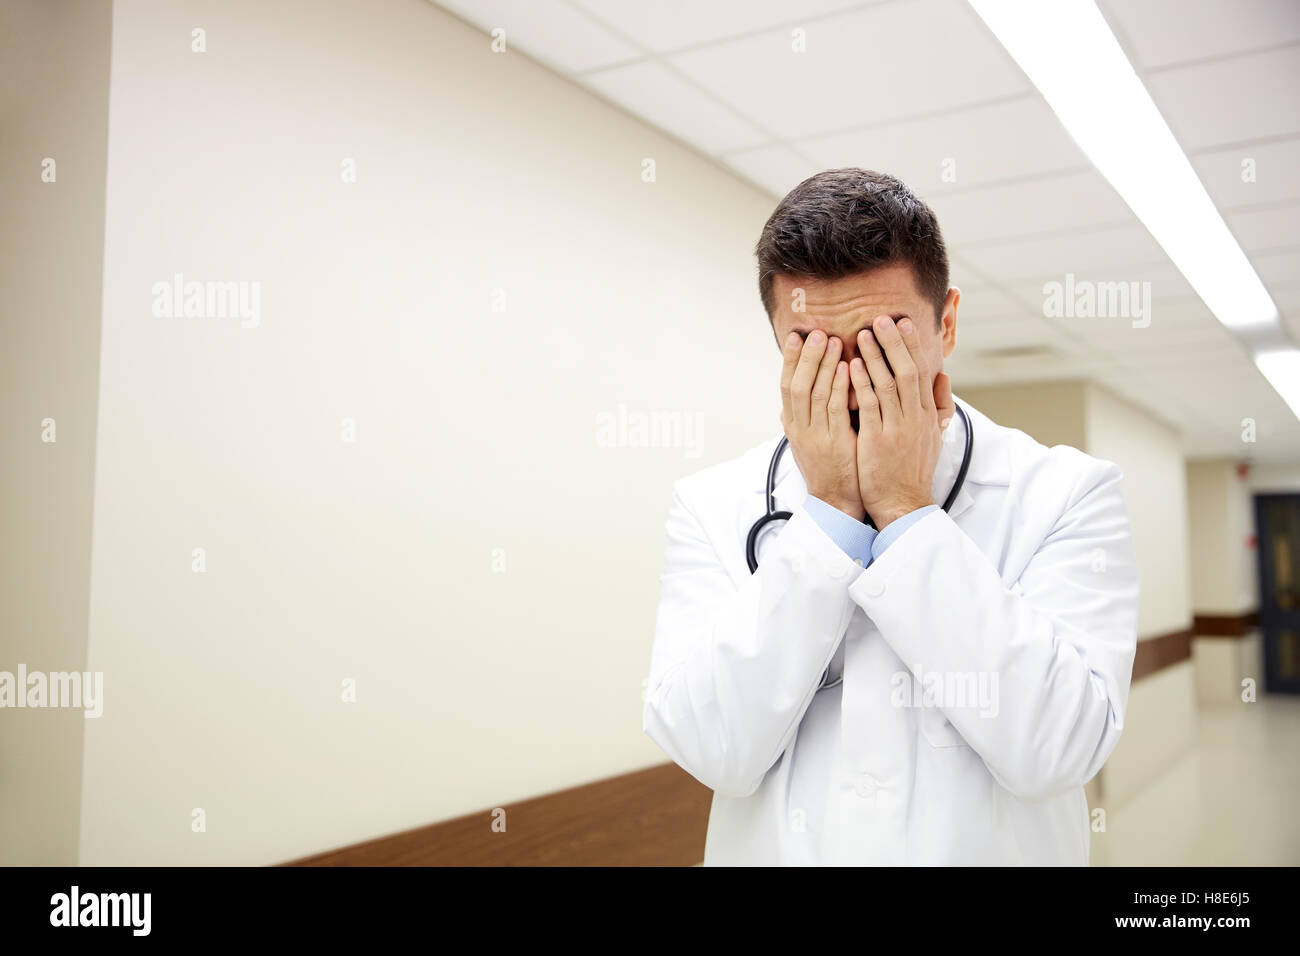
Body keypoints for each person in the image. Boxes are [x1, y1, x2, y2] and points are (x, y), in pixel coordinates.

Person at [641, 168, 1140, 865]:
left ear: (947, 323)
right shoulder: (712, 504)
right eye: (813, 348)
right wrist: (829, 515)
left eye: (883, 343)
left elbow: (1058, 751)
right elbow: (711, 749)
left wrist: (906, 510)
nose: (854, 380)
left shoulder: (1064, 493)